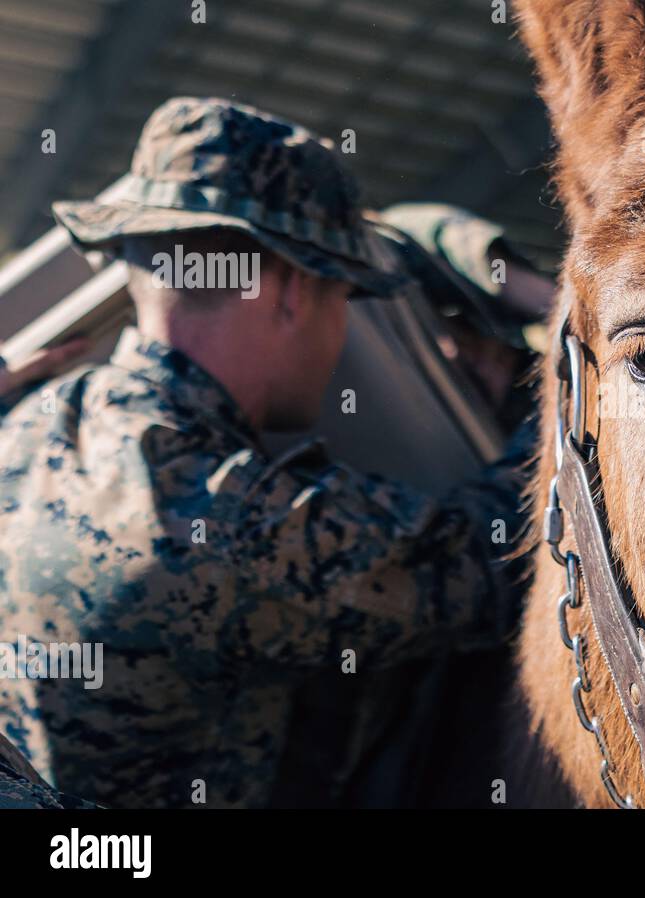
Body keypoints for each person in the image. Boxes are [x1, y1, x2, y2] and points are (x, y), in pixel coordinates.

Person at [0, 97, 535, 808]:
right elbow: (489, 567)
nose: (343, 327)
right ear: (288, 290)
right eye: (343, 298)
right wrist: (566, 370)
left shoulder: (28, 425)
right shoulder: (239, 521)